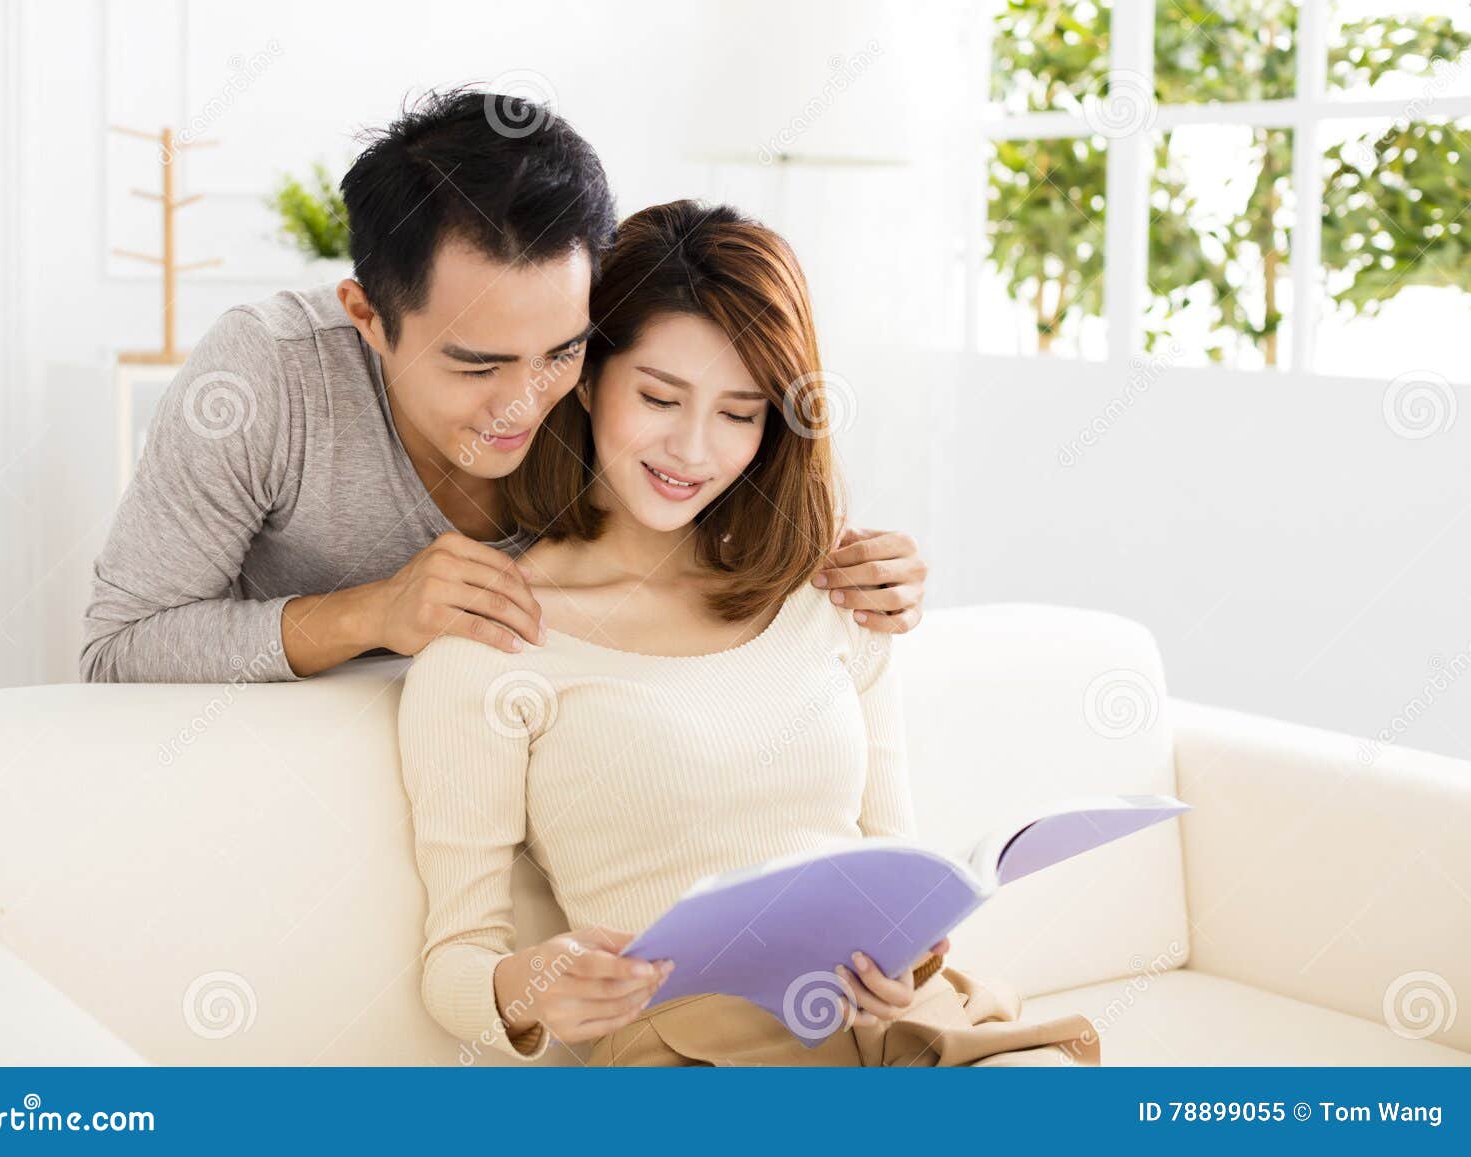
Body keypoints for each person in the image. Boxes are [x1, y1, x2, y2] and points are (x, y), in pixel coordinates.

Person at [398, 200, 1100, 1067]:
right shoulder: (493, 641)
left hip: (901, 1025)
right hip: (689, 1048)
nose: (693, 449)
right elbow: (454, 961)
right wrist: (529, 986)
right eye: (660, 396)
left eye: (740, 412)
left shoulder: (834, 598)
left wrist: (911, 953)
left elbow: (891, 854)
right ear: (585, 377)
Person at [80, 89, 927, 684]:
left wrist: (854, 566)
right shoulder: (268, 375)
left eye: (562, 353)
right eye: (476, 364)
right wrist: (373, 614)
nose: (525, 403)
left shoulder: (610, 386)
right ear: (367, 315)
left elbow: (709, 476)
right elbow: (119, 647)